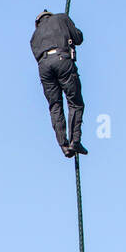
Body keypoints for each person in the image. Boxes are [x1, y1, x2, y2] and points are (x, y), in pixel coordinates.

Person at [31, 9, 87, 157]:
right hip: (62, 60)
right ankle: (75, 141)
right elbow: (79, 38)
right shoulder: (61, 18)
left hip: (44, 68)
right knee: (75, 102)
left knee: (55, 105)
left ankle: (63, 145)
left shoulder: (34, 36)